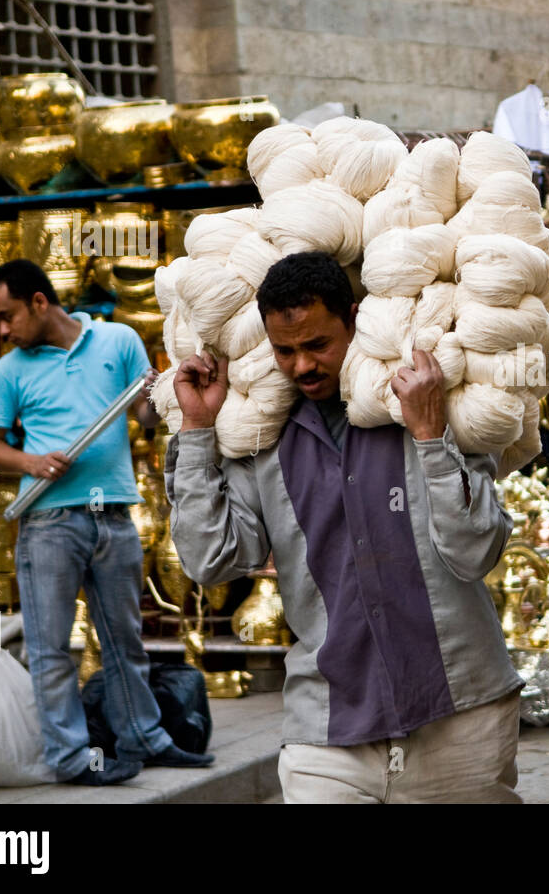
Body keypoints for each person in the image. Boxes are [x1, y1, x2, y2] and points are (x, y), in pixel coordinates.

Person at [165, 251, 523, 804]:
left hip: (460, 712)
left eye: (317, 345)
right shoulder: (260, 434)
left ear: (354, 320)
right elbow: (212, 561)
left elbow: (474, 552)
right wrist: (196, 431)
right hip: (327, 727)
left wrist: (429, 436)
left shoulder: (429, 403)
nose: (301, 366)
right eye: (284, 350)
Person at [0, 259, 212, 786]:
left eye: (7, 315)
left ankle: (144, 739)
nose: (4, 329)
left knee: (124, 640)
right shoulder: (8, 371)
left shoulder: (119, 340)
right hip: (48, 520)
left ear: (40, 301)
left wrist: (153, 391)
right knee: (52, 647)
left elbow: (146, 417)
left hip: (116, 516)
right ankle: (70, 757)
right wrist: (33, 462)